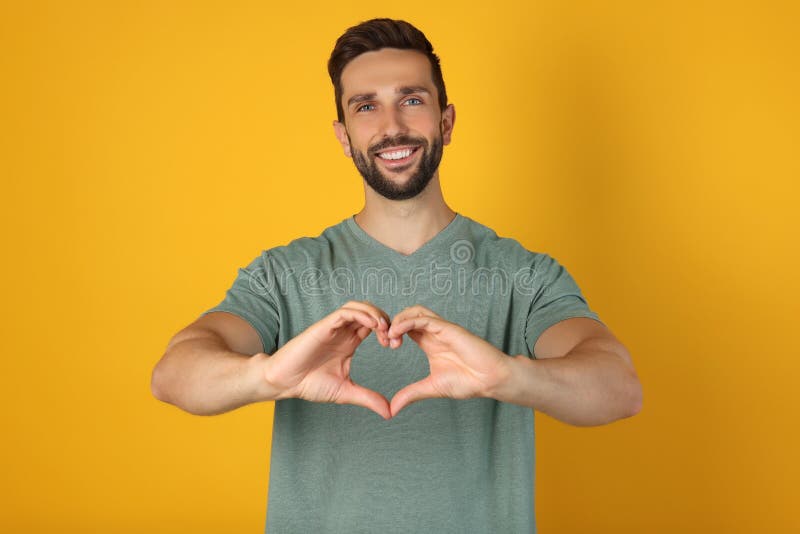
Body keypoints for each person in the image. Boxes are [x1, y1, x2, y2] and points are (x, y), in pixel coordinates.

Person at [151, 18, 642, 533]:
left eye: (411, 99)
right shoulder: (285, 274)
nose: (391, 126)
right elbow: (174, 374)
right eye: (366, 106)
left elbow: (618, 386)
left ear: (446, 122)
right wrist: (266, 376)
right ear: (343, 136)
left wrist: (510, 376)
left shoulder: (522, 275)